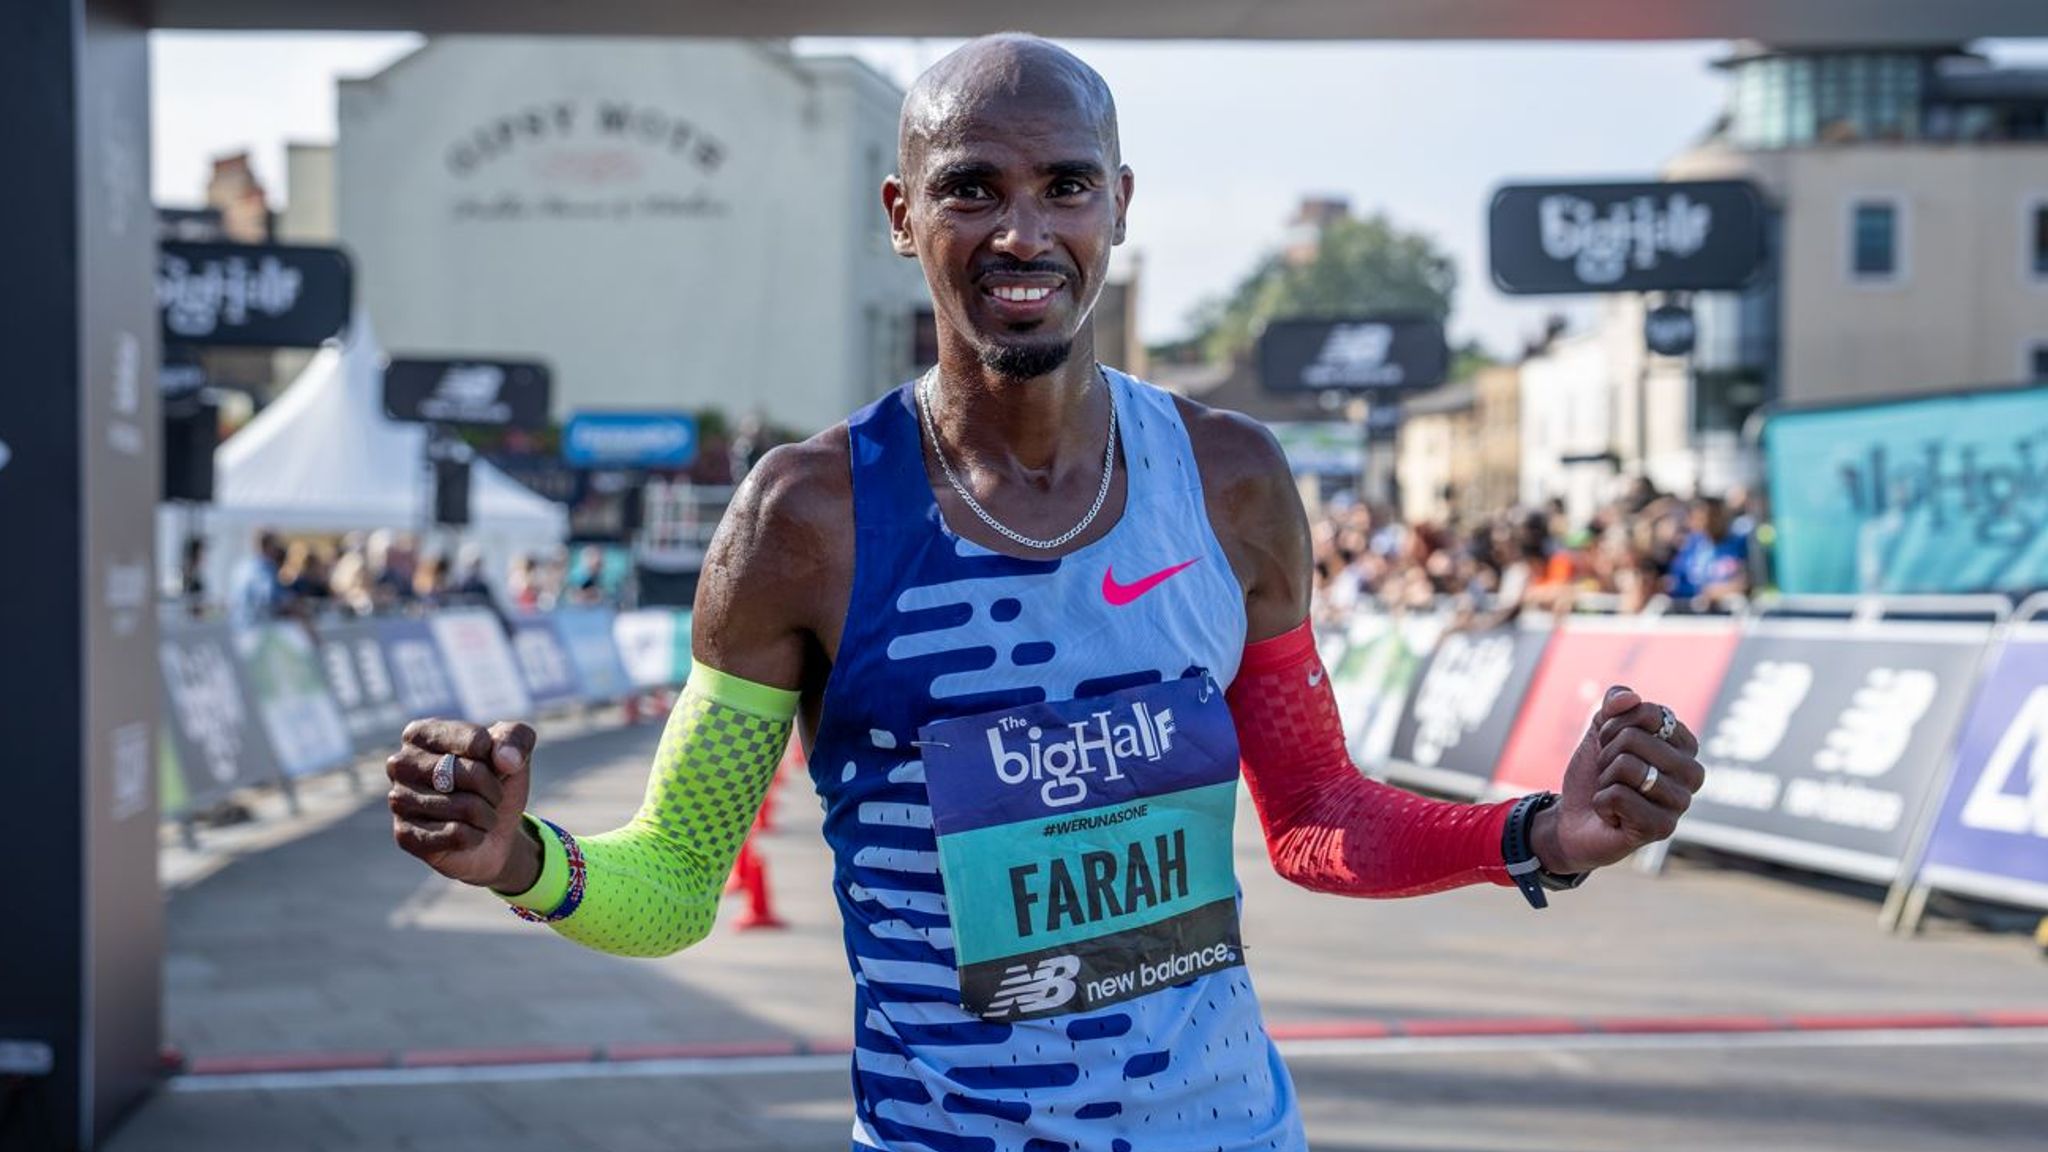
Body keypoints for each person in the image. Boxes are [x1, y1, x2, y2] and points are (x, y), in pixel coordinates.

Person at [386, 35, 1706, 1152]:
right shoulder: (807, 519)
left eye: (1065, 185)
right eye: (971, 188)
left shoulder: (1234, 481)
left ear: (1118, 206)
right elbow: (677, 878)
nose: (1023, 231)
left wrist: (1534, 835)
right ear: (902, 213)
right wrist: (518, 858)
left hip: (1233, 1128)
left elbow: (1315, 820)